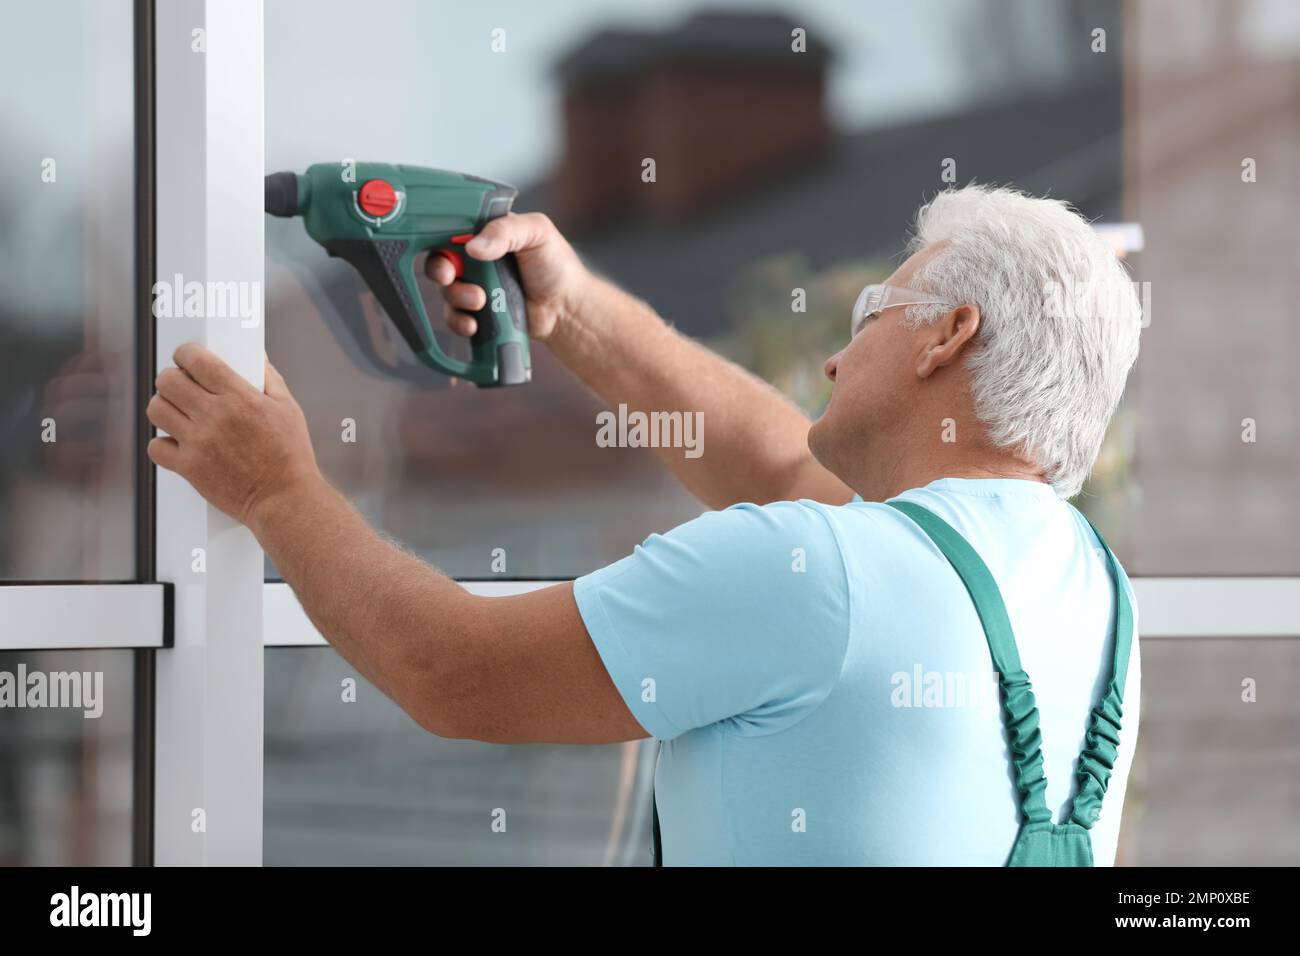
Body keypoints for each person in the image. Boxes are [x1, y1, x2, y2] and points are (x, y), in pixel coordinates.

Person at [146, 184, 1143, 865]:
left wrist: (273, 487)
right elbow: (784, 463)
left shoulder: (818, 573)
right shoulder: (1088, 579)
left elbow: (455, 669)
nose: (836, 360)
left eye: (870, 315)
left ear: (948, 334)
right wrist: (570, 308)